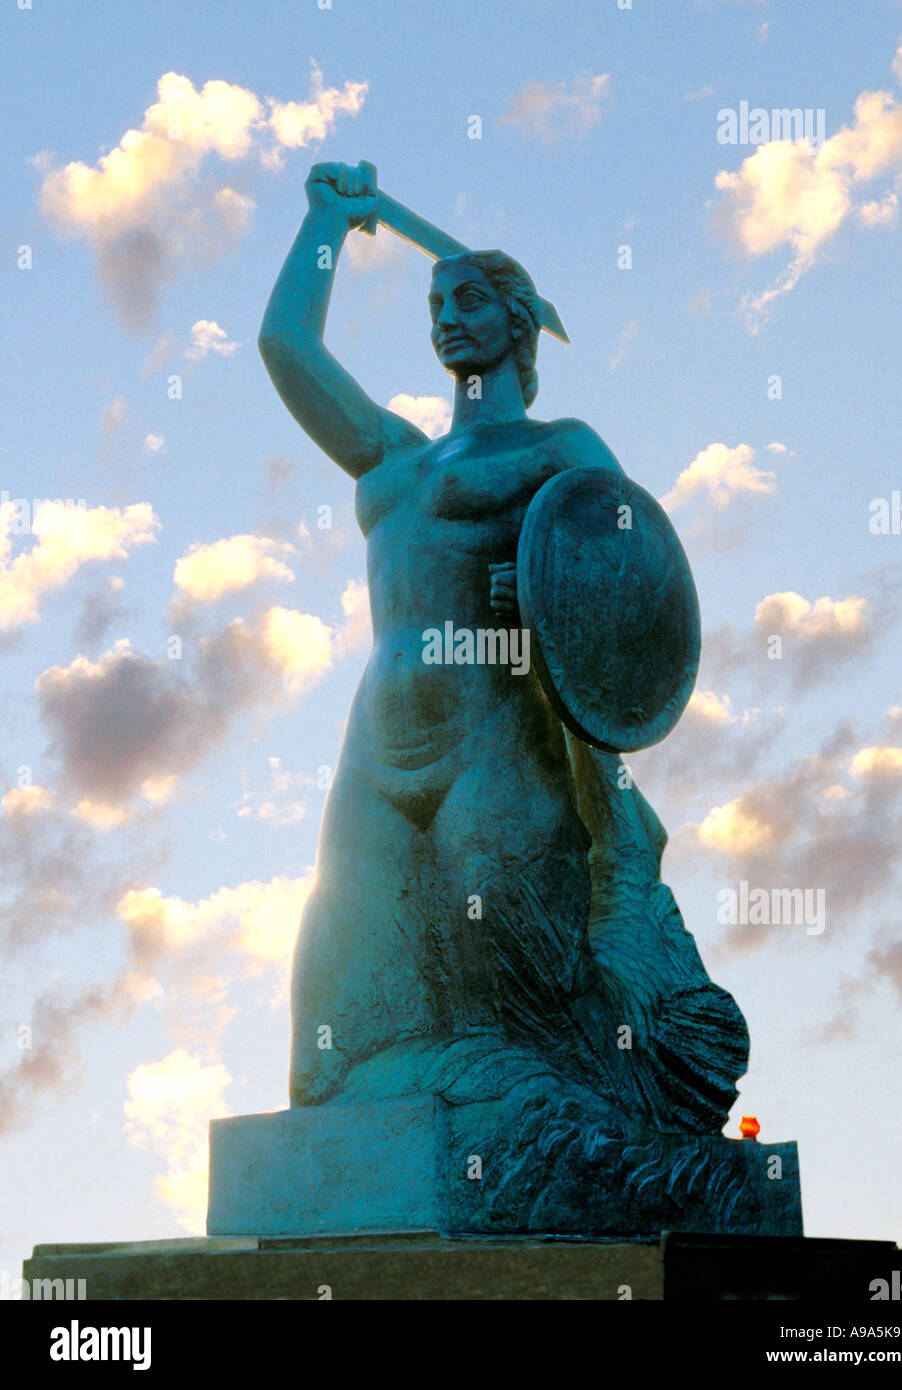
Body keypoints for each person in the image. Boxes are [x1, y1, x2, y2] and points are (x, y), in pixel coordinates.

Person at [259, 162, 747, 1135]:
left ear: (518, 322)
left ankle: (573, 1135)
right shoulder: (391, 455)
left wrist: (537, 588)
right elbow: (285, 344)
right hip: (379, 749)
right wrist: (325, 224)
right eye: (437, 300)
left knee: (515, 1005)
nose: (446, 314)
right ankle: (376, 1154)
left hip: (498, 741)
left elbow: (629, 586)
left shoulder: (560, 446)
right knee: (337, 1013)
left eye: (470, 298)